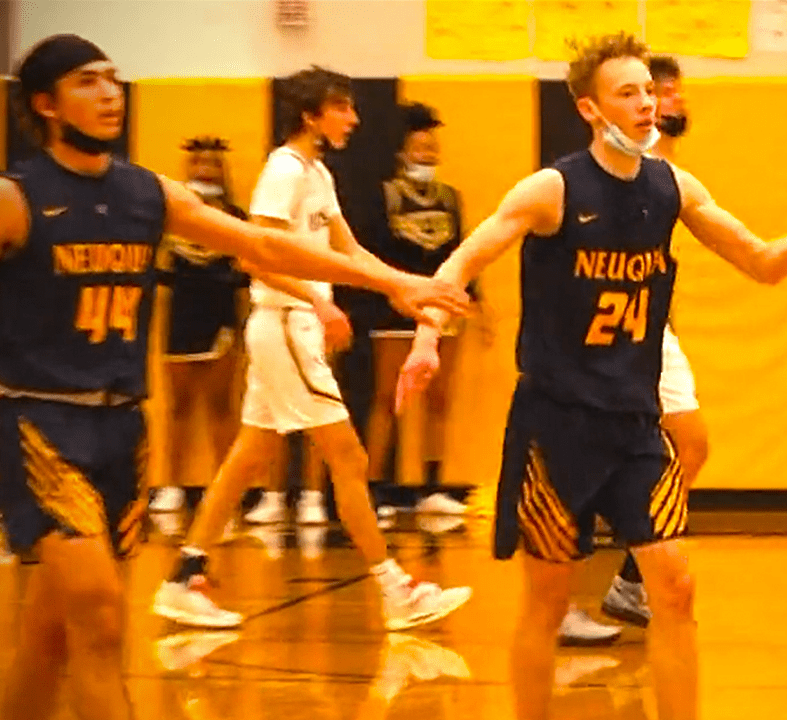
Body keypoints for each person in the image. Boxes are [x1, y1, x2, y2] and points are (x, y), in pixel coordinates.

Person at [395, 31, 787, 720]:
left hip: (633, 424)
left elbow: (762, 262)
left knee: (677, 587)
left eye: (649, 90)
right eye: (626, 92)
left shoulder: (672, 187)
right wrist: (426, 341)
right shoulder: (553, 190)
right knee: (546, 602)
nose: (645, 103)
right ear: (590, 110)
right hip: (556, 424)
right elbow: (456, 266)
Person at [0, 35, 468, 720]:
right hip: (43, 425)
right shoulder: (18, 199)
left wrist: (395, 281)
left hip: (124, 426)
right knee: (101, 622)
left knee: (48, 636)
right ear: (44, 104)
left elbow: (261, 245)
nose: (108, 93)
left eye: (112, 79)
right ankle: (382, 580)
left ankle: (189, 566)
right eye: (84, 82)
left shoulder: (145, 193)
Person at [150, 66, 473, 631]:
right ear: (310, 114)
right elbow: (257, 256)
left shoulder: (317, 173)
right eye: (342, 107)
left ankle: (183, 576)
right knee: (347, 457)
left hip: (290, 327)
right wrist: (321, 303)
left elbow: (349, 254)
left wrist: (407, 288)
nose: (353, 117)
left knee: (246, 457)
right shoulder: (283, 169)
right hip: (285, 324)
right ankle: (396, 590)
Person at [557, 54, 707, 646]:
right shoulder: (591, 175)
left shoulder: (667, 172)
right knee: (583, 466)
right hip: (601, 340)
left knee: (692, 445)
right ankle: (562, 598)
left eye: (662, 91)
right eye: (646, 92)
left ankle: (628, 580)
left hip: (651, 333)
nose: (659, 103)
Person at [363, 102, 489, 522]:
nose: (428, 154)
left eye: (433, 148)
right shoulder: (385, 194)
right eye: (420, 148)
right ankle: (374, 488)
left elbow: (464, 253)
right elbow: (374, 252)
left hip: (442, 309)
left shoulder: (451, 197)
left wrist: (477, 301)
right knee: (388, 399)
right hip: (397, 308)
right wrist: (391, 292)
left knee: (439, 400)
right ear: (403, 153)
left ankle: (433, 486)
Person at [150, 136, 250, 515]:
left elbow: (243, 275)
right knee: (178, 406)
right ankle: (171, 486)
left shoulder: (235, 216)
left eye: (212, 164)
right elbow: (160, 272)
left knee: (222, 406)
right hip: (179, 318)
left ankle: (226, 489)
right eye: (198, 164)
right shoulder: (169, 214)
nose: (205, 170)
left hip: (222, 316)